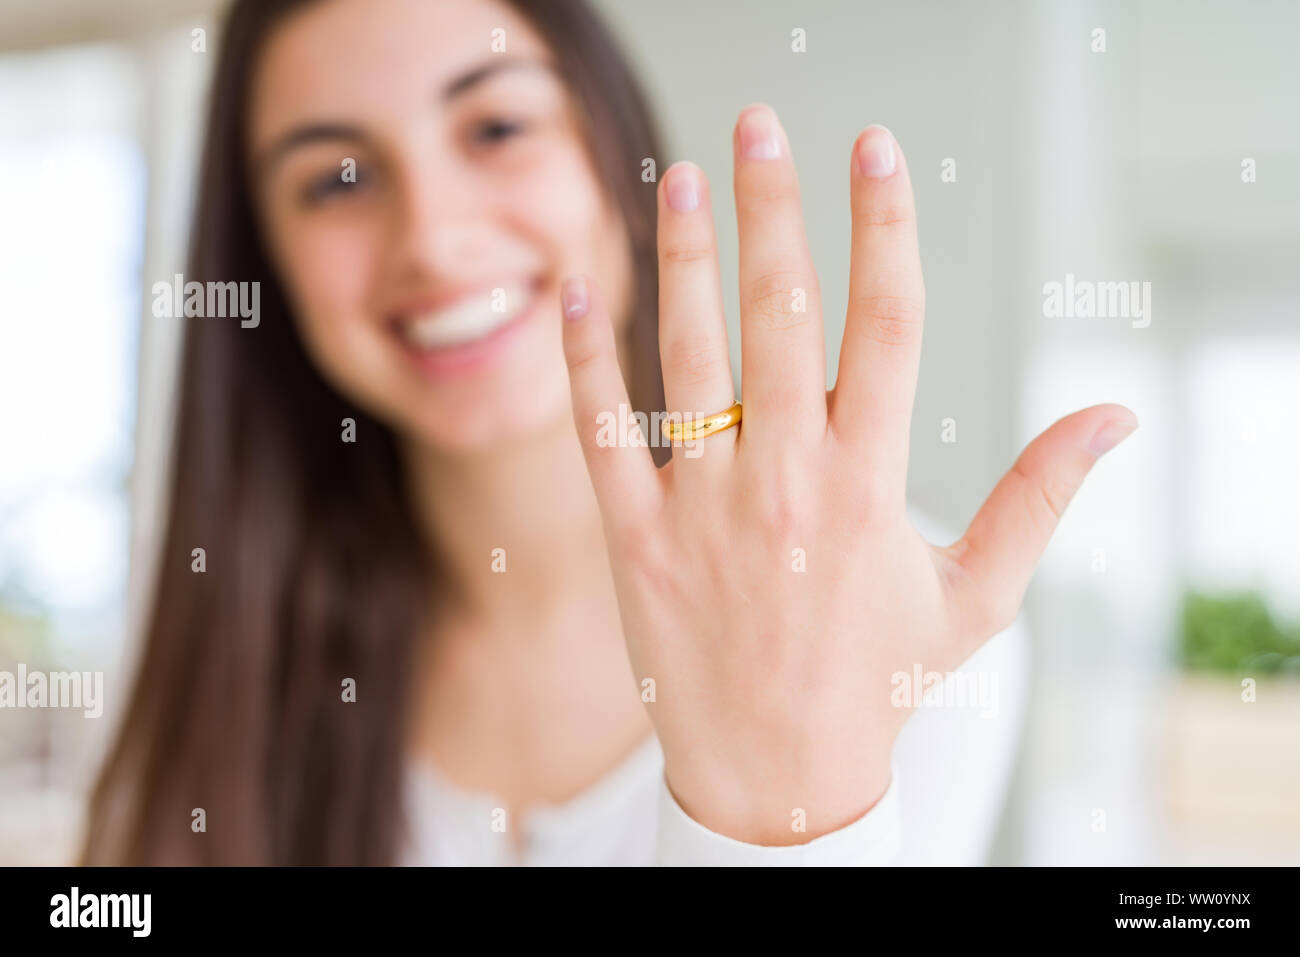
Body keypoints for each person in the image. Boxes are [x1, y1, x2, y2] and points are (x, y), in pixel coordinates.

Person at [81, 0, 1135, 865]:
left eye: (495, 128)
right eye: (336, 179)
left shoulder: (892, 615)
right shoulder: (211, 645)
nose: (434, 237)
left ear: (616, 167)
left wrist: (780, 814)